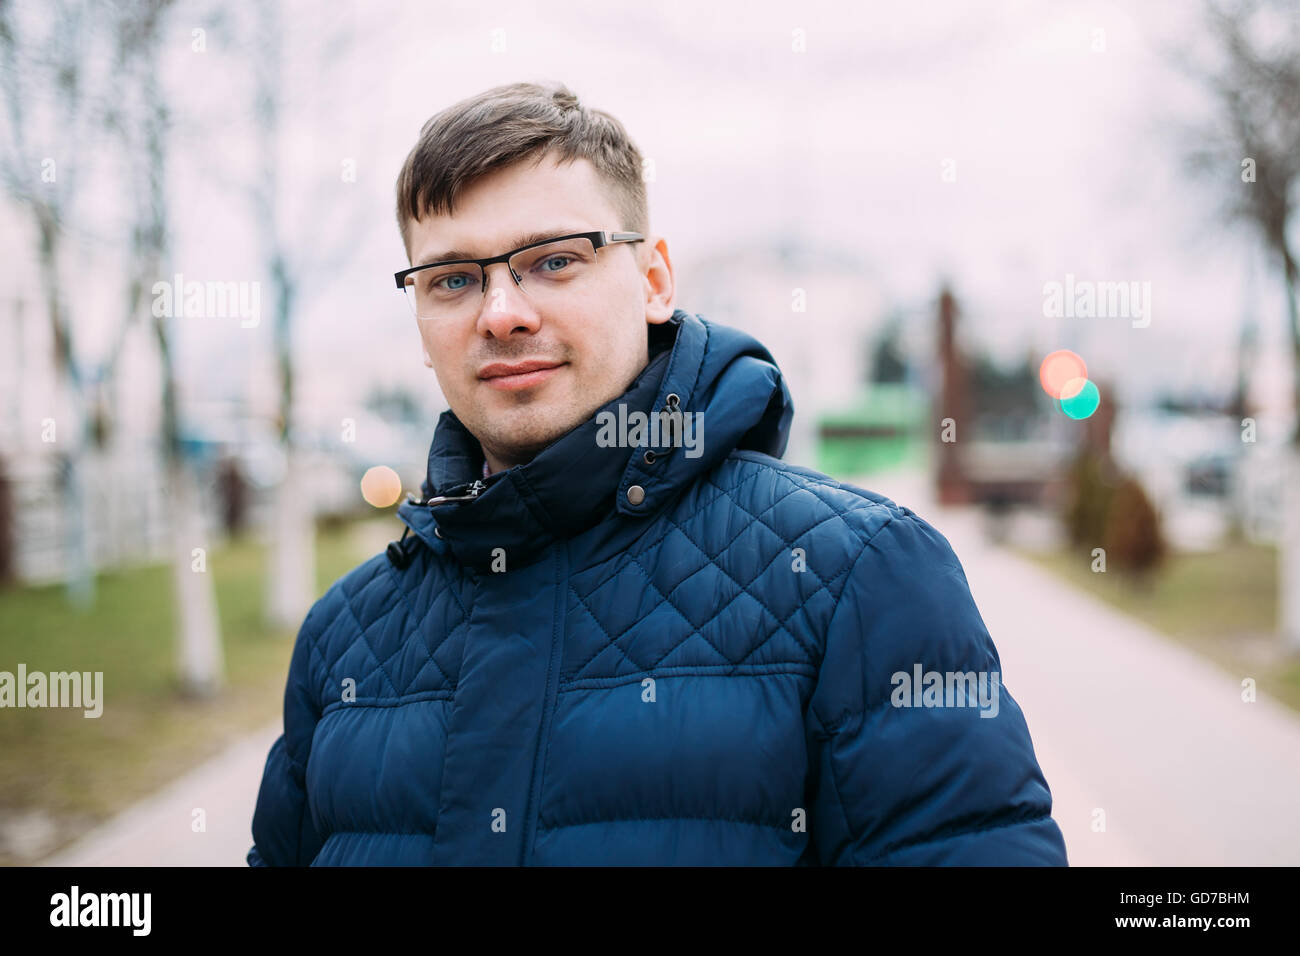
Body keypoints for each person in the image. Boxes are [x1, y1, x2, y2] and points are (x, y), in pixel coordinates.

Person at [247, 80, 1068, 866]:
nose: (501, 313)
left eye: (554, 260)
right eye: (454, 278)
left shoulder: (860, 579)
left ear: (653, 281)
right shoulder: (342, 641)